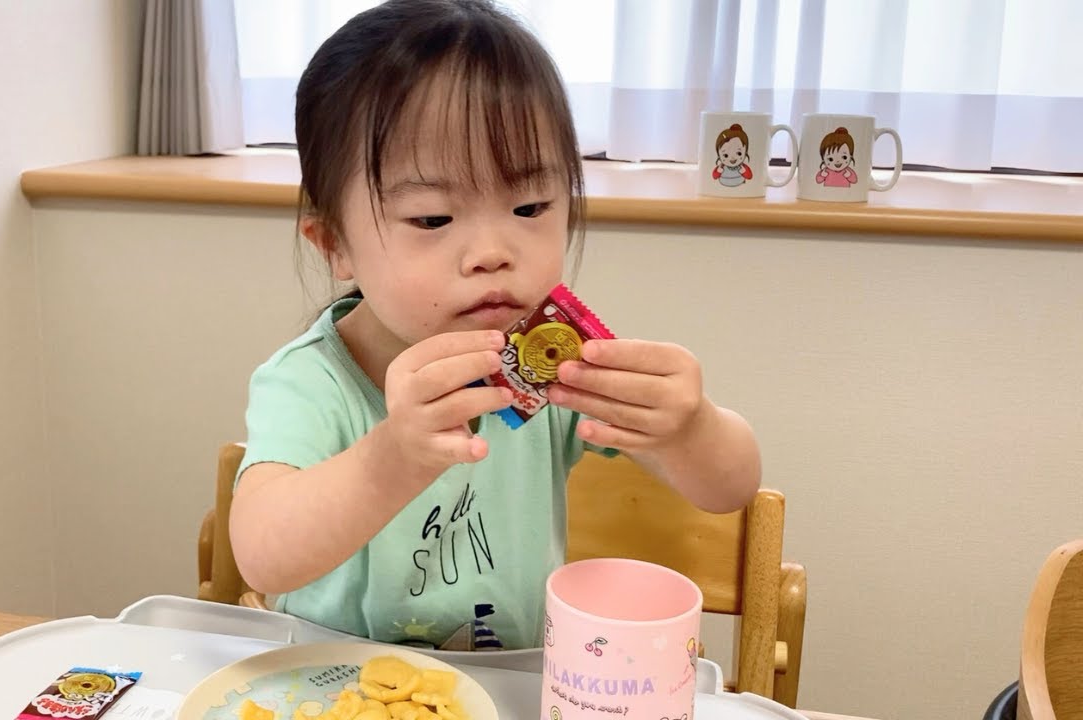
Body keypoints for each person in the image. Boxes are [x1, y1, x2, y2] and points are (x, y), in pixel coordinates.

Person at [229, 0, 761, 652]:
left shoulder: (551, 366)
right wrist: (394, 454)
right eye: (432, 218)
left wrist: (691, 426)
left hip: (512, 691)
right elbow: (262, 556)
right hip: (336, 692)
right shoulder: (310, 381)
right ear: (334, 243)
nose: (491, 251)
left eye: (529, 205)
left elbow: (730, 487)